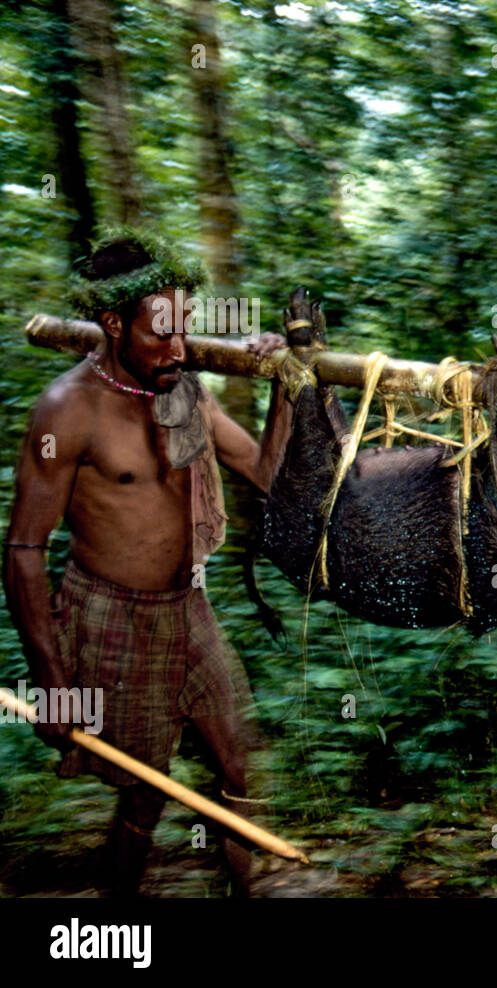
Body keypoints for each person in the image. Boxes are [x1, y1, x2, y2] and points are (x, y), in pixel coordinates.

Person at [2, 228, 292, 896]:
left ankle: (242, 891)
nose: (180, 347)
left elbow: (265, 469)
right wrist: (53, 682)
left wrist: (283, 381)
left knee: (238, 765)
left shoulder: (183, 392)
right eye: (161, 333)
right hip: (110, 615)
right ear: (112, 324)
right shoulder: (65, 412)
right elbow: (22, 549)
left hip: (186, 609)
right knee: (142, 796)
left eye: (185, 329)